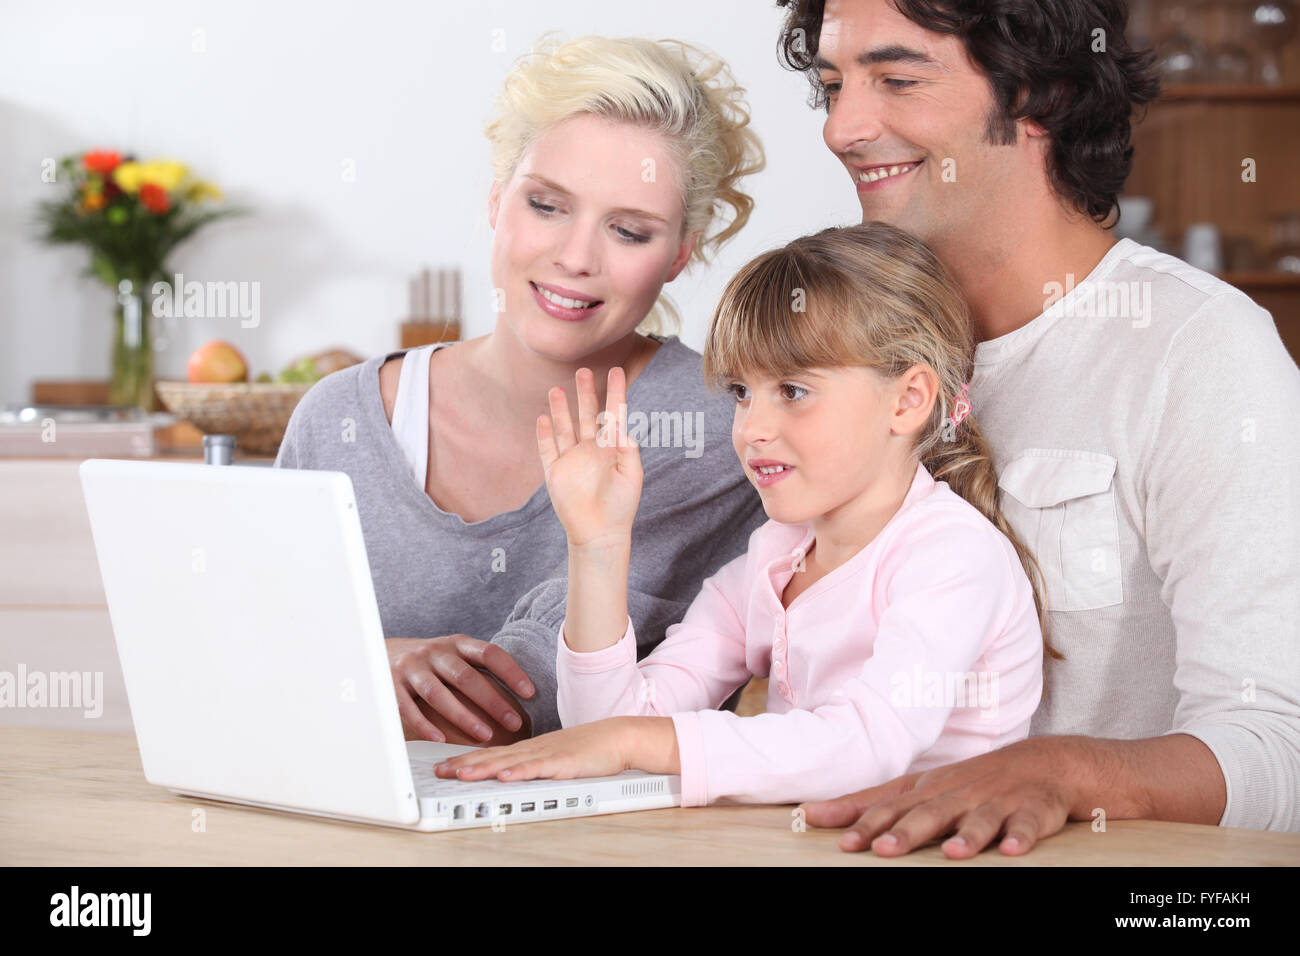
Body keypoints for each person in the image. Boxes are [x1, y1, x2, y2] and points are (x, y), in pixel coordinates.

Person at [772, 0, 1300, 854]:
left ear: (1040, 93)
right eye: (833, 86)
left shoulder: (1200, 349)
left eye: (897, 79)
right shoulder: (833, 351)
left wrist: (1066, 772)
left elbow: (1280, 752)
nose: (842, 128)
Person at [432, 221, 1048, 806]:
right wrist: (598, 545)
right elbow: (610, 728)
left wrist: (637, 742)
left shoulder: (953, 556)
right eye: (742, 393)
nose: (752, 428)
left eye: (793, 391)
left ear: (909, 399)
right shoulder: (771, 557)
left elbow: (868, 744)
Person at [274, 33, 768, 744]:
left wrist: (348, 667)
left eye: (629, 231)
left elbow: (523, 705)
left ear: (679, 255)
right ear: (496, 199)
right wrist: (370, 662)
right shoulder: (339, 421)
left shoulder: (717, 433)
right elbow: (245, 649)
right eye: (545, 205)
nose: (575, 257)